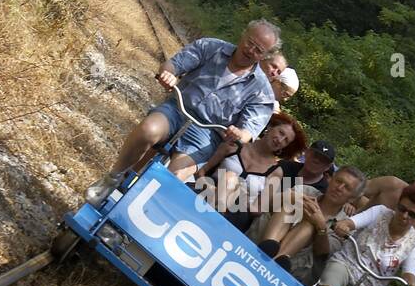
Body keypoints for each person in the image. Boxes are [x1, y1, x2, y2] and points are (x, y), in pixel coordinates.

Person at [86, 20, 279, 201]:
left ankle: (133, 208)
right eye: (249, 42)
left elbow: (250, 130)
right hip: (177, 110)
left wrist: (240, 133)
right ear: (243, 35)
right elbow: (174, 64)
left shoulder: (262, 92)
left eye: (258, 50)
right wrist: (168, 74)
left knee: (176, 175)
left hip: (207, 135)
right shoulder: (211, 47)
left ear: (264, 56)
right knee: (148, 130)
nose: (250, 50)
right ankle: (113, 178)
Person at [195, 113, 307, 232]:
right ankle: (212, 221)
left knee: (232, 179)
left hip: (237, 212)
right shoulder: (233, 146)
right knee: (230, 177)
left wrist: (239, 194)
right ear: (270, 127)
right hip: (208, 193)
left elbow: (257, 209)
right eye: (281, 132)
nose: (280, 140)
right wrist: (210, 187)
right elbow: (201, 172)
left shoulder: (276, 171)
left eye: (286, 141)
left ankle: (211, 222)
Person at [257, 166, 367, 280]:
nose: (339, 188)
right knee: (290, 204)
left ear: (352, 198)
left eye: (347, 188)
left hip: (293, 270)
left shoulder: (346, 223)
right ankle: (268, 247)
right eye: (338, 181)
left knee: (310, 225)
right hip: (260, 242)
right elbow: (264, 206)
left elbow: (323, 255)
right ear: (330, 179)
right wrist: (288, 196)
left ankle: (276, 261)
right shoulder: (305, 190)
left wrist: (321, 226)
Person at [345, 169, 415, 240]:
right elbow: (356, 189)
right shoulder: (392, 184)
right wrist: (349, 202)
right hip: (349, 226)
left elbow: (404, 246)